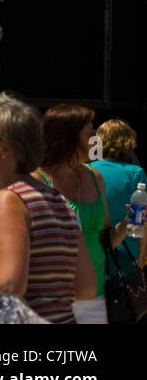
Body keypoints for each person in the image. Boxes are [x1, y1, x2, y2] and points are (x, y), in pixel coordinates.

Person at [0, 95, 94, 323]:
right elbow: (86, 286)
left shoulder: (10, 199)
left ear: (5, 147)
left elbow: (10, 284)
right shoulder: (57, 199)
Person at [36, 104, 128, 324]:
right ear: (68, 138)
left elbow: (106, 241)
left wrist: (128, 222)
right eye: (89, 133)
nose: (95, 140)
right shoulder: (37, 181)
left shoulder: (94, 177)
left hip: (95, 297)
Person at [90, 119, 147, 275]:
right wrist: (142, 255)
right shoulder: (135, 173)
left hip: (94, 247)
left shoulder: (87, 170)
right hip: (128, 250)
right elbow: (141, 219)